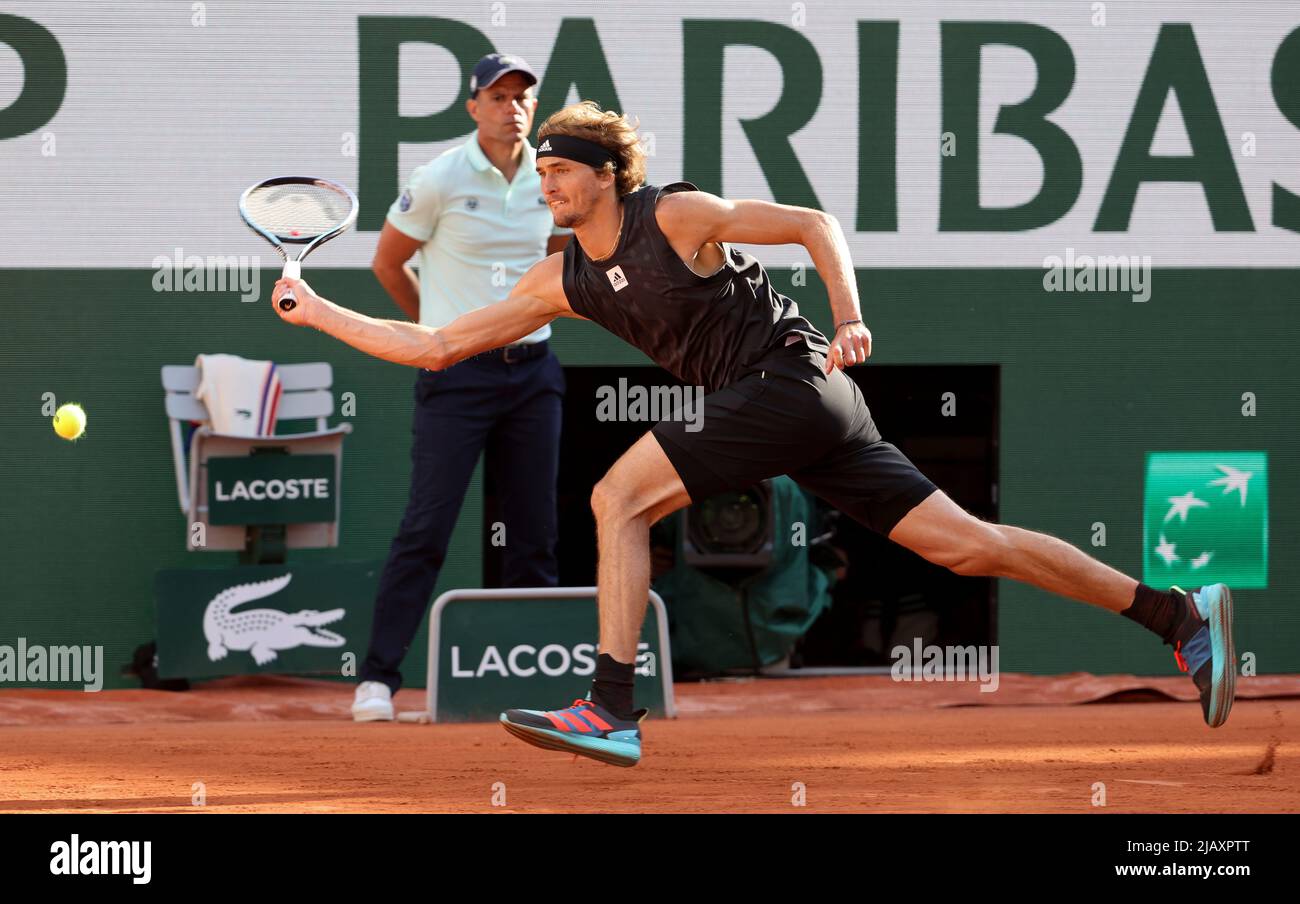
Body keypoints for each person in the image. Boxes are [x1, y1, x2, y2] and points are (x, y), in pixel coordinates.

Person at [274, 102, 1236, 763]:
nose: (547, 187)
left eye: (561, 172)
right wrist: (318, 312)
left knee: (618, 496)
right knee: (970, 548)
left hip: (790, 380)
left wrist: (849, 314)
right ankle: (1178, 616)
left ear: (606, 176)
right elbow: (437, 344)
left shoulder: (677, 214)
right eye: (545, 175)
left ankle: (610, 708)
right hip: (803, 411)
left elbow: (815, 222)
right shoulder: (556, 278)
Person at [350, 54, 570, 722]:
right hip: (456, 376)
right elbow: (387, 262)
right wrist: (437, 333)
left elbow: (562, 255)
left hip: (533, 371)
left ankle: (534, 683)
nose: (513, 108)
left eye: (522, 98)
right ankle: (378, 681)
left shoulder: (551, 177)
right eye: (498, 96)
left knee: (534, 532)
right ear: (473, 106)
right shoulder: (439, 177)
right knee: (426, 529)